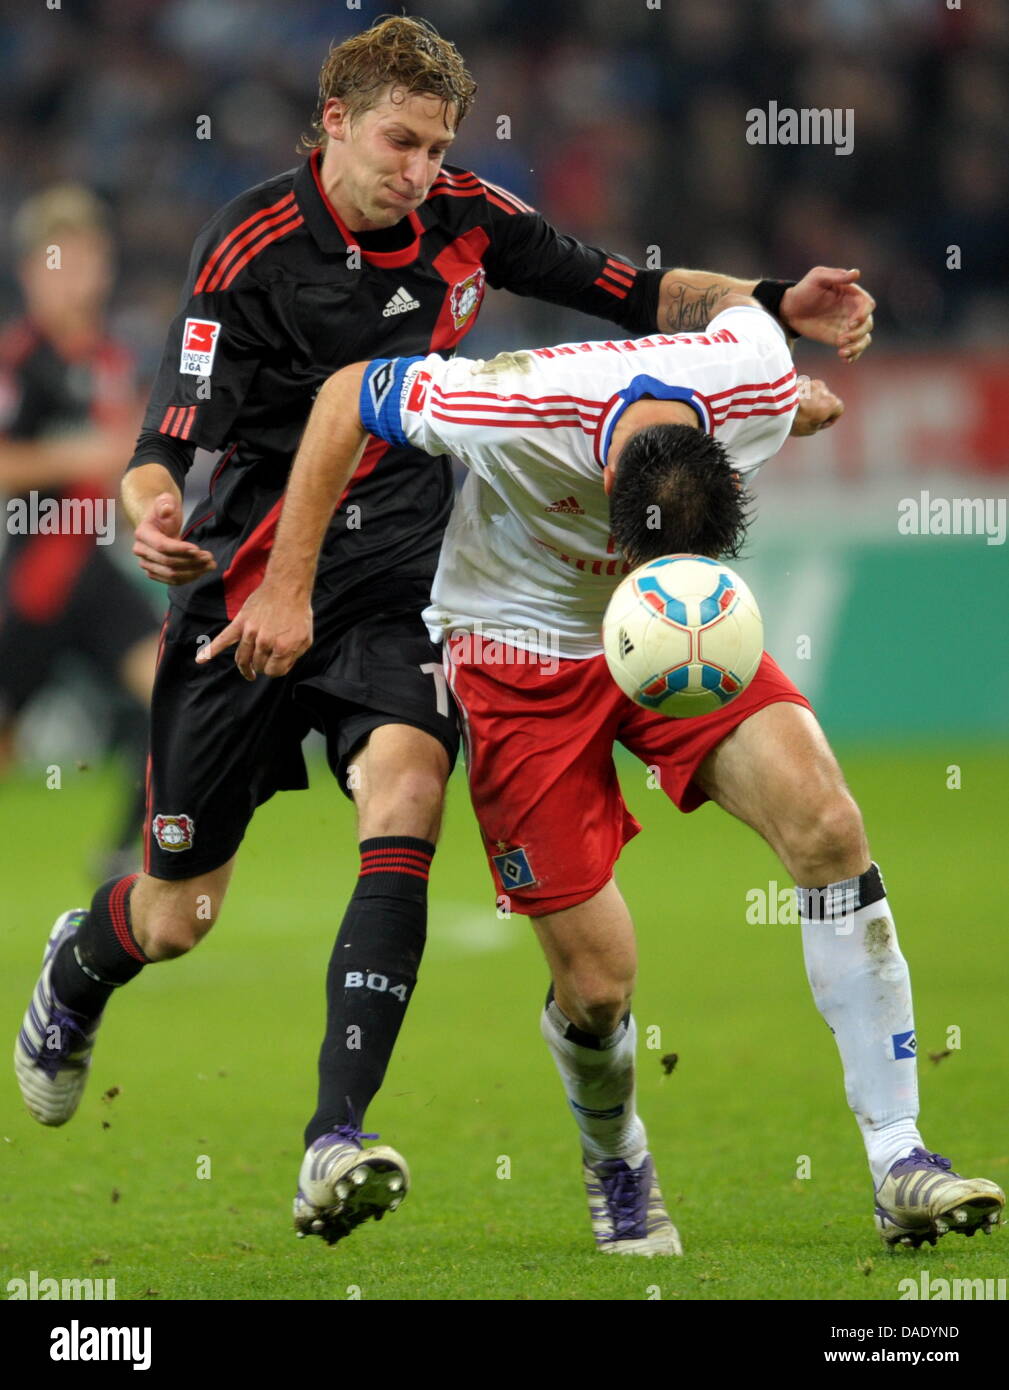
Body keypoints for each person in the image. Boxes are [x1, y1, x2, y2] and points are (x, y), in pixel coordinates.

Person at [15, 14, 875, 1248]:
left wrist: (775, 302)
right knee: (175, 916)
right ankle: (80, 967)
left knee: (408, 788)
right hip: (248, 586)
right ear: (334, 127)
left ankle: (335, 1138)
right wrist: (152, 515)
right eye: (398, 142)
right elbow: (164, 445)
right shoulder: (250, 245)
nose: (418, 170)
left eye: (435, 146)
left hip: (403, 580)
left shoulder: (469, 213)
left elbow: (639, 292)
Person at [205, 291, 1005, 1255]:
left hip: (688, 628)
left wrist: (781, 314)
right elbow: (344, 395)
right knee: (598, 991)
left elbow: (724, 307)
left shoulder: (749, 377)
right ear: (605, 496)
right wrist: (285, 587)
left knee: (828, 828)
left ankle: (898, 1157)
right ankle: (616, 1156)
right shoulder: (510, 404)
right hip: (517, 652)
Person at [0, 185, 158, 879]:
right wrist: (78, 453)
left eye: (91, 260)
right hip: (26, 580)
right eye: (62, 262)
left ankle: (124, 860)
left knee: (173, 694)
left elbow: (117, 470)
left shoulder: (110, 361)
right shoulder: (18, 361)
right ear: (31, 272)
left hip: (90, 572)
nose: (79, 275)